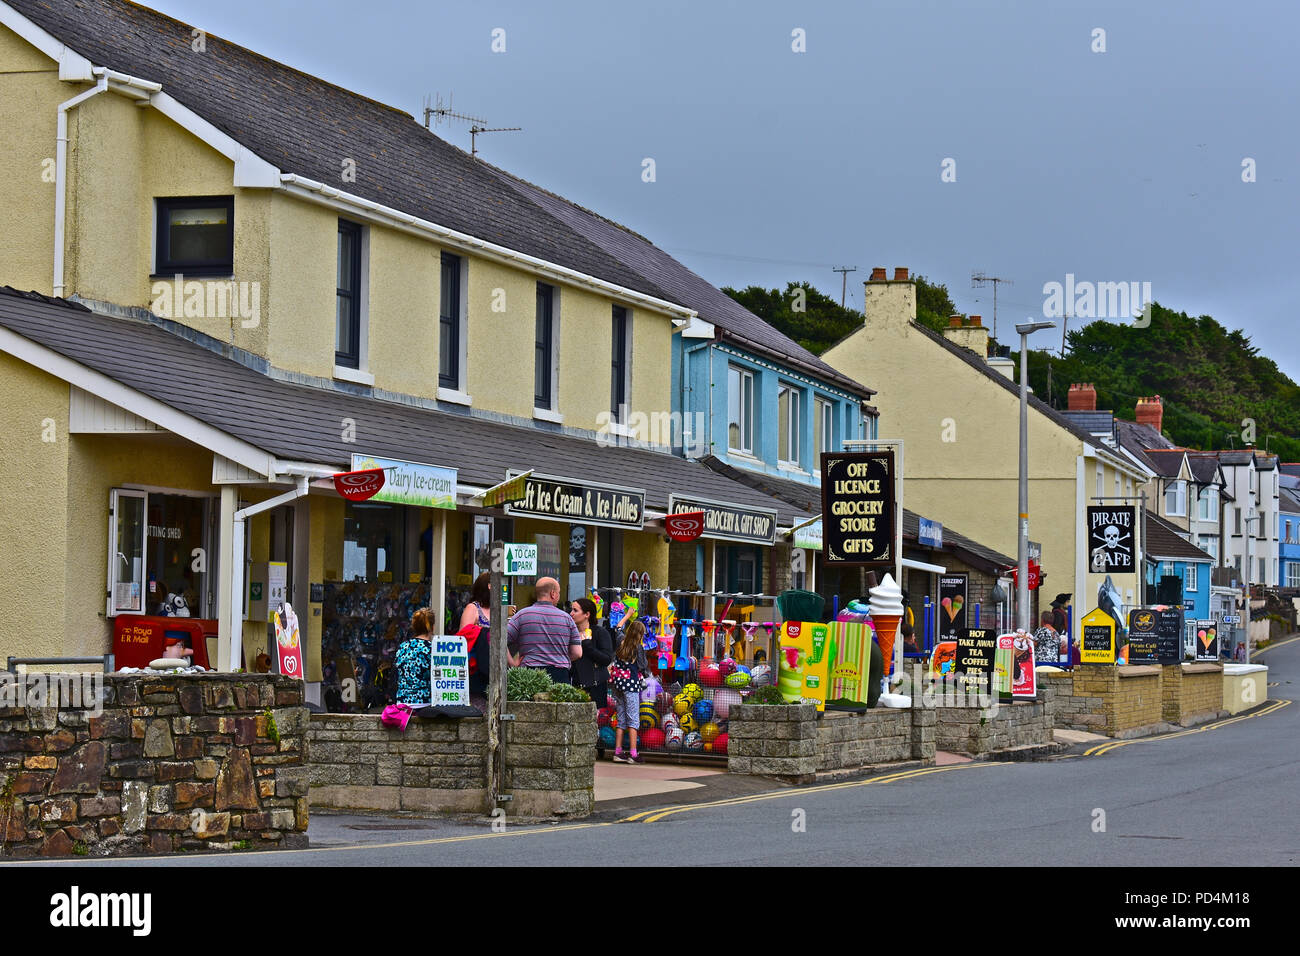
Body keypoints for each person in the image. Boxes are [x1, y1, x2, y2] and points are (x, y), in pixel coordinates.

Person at [506, 576, 582, 683]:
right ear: (553, 594)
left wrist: (512, 664)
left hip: (529, 674)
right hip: (559, 674)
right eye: (558, 593)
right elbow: (577, 653)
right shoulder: (567, 618)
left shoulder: (522, 615)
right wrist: (559, 657)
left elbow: (498, 640)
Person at [609, 620, 648, 763]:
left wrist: (628, 615)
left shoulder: (621, 641)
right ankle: (633, 754)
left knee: (621, 719)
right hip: (631, 686)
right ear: (640, 634)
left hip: (617, 685)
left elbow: (617, 627)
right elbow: (643, 666)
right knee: (633, 720)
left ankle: (618, 752)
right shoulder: (637, 648)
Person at [569, 597, 613, 707]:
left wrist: (587, 646)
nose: (571, 613)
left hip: (596, 687)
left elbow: (606, 659)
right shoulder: (570, 633)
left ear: (587, 614)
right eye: (571, 610)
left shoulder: (599, 632)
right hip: (575, 686)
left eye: (575, 610)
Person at [394, 607, 434, 706]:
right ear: (432, 627)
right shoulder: (432, 649)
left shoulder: (403, 647)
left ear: (414, 627)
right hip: (424, 703)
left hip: (403, 703)